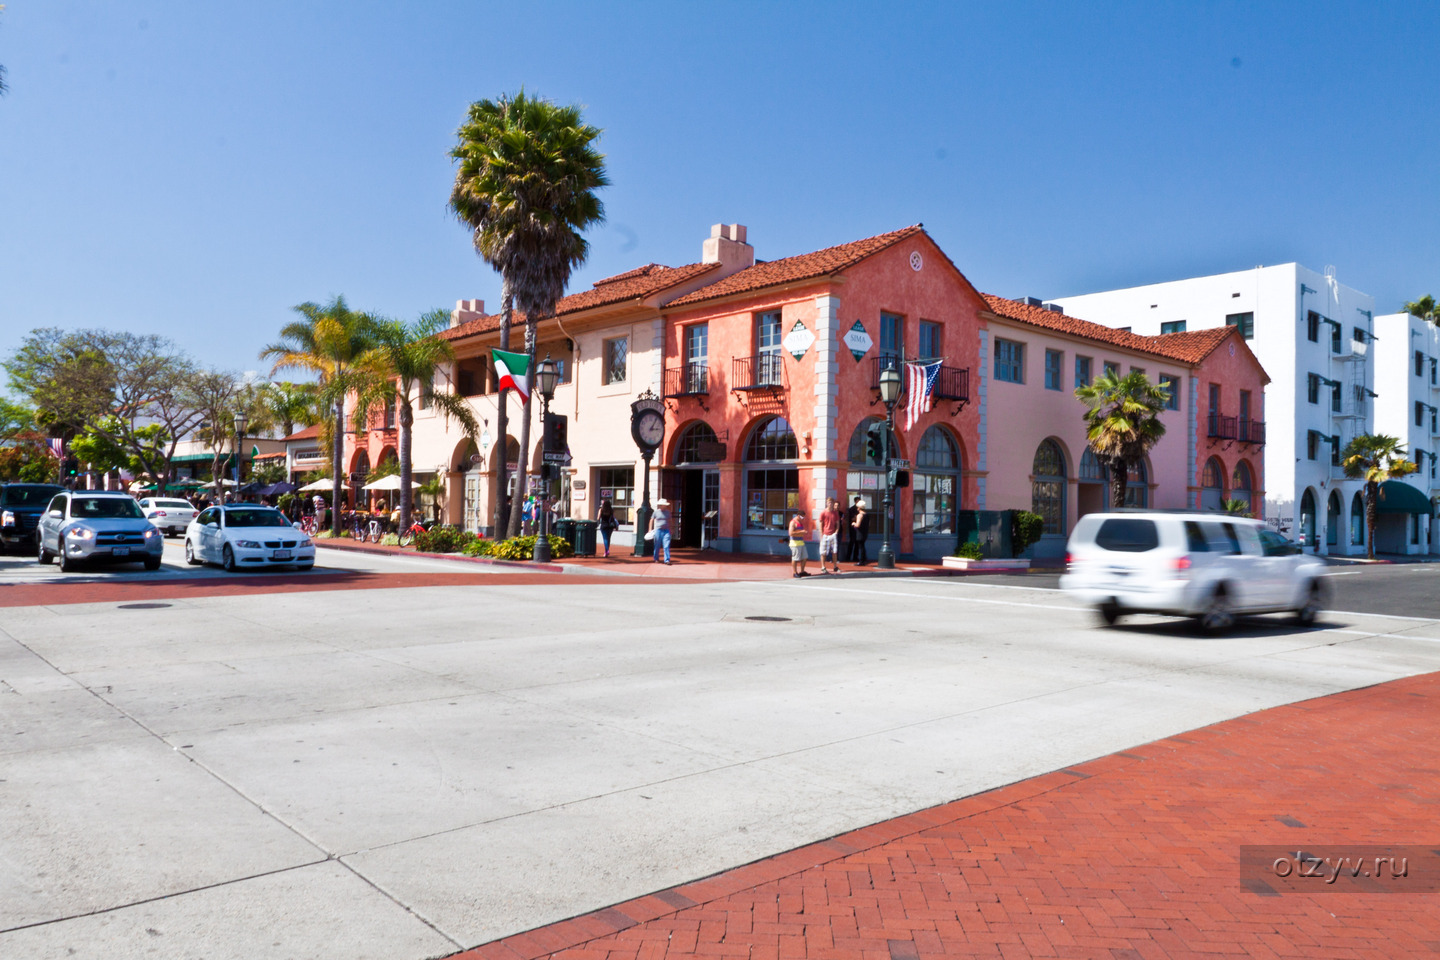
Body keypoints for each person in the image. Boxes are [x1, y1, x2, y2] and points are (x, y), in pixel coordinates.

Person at [818, 497, 842, 574]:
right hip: (825, 534)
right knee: (823, 552)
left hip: (833, 534)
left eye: (831, 502)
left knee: (834, 552)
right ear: (826, 503)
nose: (830, 504)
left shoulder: (835, 513)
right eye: (829, 502)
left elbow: (838, 523)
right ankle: (823, 567)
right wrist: (821, 534)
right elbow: (821, 523)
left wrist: (836, 532)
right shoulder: (823, 512)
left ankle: (835, 566)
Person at [649, 498, 672, 564]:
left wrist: (671, 529)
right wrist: (650, 529)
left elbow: (670, 521)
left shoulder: (668, 512)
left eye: (664, 505)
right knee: (657, 545)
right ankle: (656, 558)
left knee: (666, 545)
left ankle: (667, 560)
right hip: (658, 530)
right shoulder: (656, 512)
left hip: (666, 530)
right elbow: (651, 520)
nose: (663, 506)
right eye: (661, 505)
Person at [788, 510, 810, 578]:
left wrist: (803, 532)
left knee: (805, 557)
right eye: (802, 517)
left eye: (804, 517)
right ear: (798, 516)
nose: (803, 519)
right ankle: (795, 572)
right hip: (795, 543)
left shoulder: (800, 522)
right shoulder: (793, 522)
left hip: (801, 542)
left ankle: (802, 571)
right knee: (795, 558)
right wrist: (801, 532)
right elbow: (791, 533)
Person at [851, 498, 870, 565]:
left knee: (861, 547)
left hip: (860, 532)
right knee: (862, 546)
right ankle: (864, 559)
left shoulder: (860, 515)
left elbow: (858, 525)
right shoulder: (866, 515)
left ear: (859, 508)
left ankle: (861, 561)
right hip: (865, 532)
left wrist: (853, 523)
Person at [844, 495, 862, 562]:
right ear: (855, 502)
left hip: (859, 528)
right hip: (852, 528)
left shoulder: (861, 509)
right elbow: (852, 518)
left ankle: (855, 557)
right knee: (852, 542)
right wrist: (858, 518)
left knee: (857, 543)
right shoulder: (851, 509)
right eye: (857, 501)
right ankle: (848, 557)